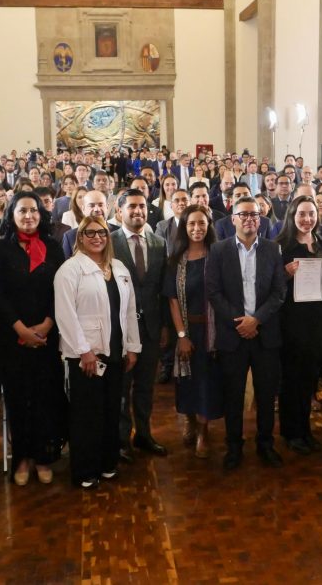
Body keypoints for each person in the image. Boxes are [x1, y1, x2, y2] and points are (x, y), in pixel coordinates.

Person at [54, 215, 140, 489]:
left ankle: (107, 463)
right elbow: (65, 315)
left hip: (116, 351)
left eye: (101, 232)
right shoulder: (70, 270)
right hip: (87, 356)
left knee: (111, 410)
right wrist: (83, 352)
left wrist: (132, 347)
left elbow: (128, 312)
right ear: (80, 237)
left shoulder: (119, 267)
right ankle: (84, 469)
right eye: (89, 233)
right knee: (85, 414)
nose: (97, 237)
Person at [0, 191, 67, 485]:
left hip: (47, 335)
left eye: (34, 211)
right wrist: (20, 328)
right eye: (22, 211)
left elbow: (60, 290)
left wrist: (47, 324)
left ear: (41, 214)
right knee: (19, 398)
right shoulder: (0, 250)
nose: (29, 216)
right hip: (12, 337)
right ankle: (22, 457)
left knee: (46, 397)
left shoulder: (53, 246)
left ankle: (43, 457)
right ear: (12, 215)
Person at [206, 197, 287, 470]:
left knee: (266, 395)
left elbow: (279, 293)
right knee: (233, 395)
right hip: (233, 334)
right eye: (244, 215)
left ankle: (265, 444)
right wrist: (240, 321)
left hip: (265, 335)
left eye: (255, 214)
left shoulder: (273, 249)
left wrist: (257, 320)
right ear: (233, 219)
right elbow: (213, 292)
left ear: (261, 219)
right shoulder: (218, 251)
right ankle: (233, 447)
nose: (250, 219)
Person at [112, 190, 168, 459]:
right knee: (122, 388)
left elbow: (163, 288)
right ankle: (121, 441)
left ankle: (144, 435)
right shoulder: (110, 243)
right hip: (121, 330)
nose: (138, 211)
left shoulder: (159, 243)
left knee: (146, 387)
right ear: (120, 211)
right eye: (132, 206)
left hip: (151, 328)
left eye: (142, 206)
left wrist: (166, 327)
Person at [164, 205, 222, 458]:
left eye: (202, 223)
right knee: (187, 380)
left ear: (209, 226)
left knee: (208, 381)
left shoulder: (218, 255)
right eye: (191, 224)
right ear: (184, 228)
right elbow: (173, 300)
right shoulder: (176, 260)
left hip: (213, 332)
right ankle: (189, 419)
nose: (197, 228)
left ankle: (204, 430)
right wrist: (181, 336)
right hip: (186, 331)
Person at [275, 195, 322, 454]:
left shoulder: (320, 243)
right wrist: (285, 274)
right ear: (292, 216)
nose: (307, 219)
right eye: (302, 214)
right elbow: (269, 287)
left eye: (311, 214)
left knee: (310, 378)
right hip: (291, 320)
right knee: (291, 379)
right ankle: (291, 431)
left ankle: (304, 429)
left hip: (317, 319)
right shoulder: (281, 247)